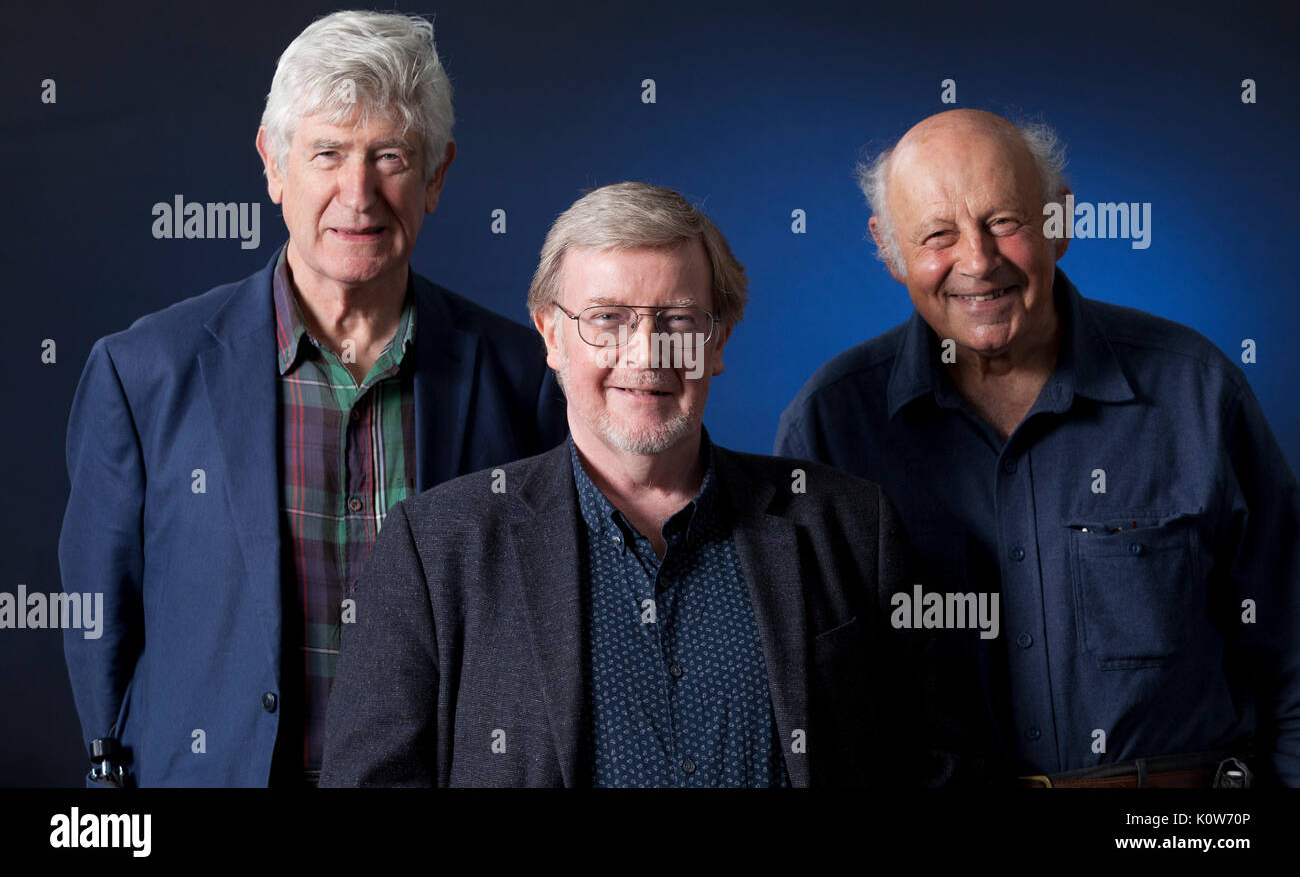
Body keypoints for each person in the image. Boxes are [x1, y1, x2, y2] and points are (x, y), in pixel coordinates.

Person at [58, 10, 567, 787]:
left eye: (389, 156)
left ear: (436, 175)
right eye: (327, 152)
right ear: (274, 164)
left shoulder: (521, 374)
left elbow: (552, 616)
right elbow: (100, 617)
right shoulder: (143, 373)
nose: (356, 194)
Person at [320, 182, 947, 787]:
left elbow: (931, 770)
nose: (646, 356)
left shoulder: (851, 527)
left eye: (677, 319)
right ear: (551, 335)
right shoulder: (435, 551)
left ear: (719, 339)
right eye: (608, 319)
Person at [776, 108, 1300, 787]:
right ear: (889, 247)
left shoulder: (1196, 390)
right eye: (937, 234)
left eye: (1004, 221)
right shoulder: (830, 425)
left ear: (1059, 219)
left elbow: (1290, 651)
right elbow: (804, 699)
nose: (977, 260)